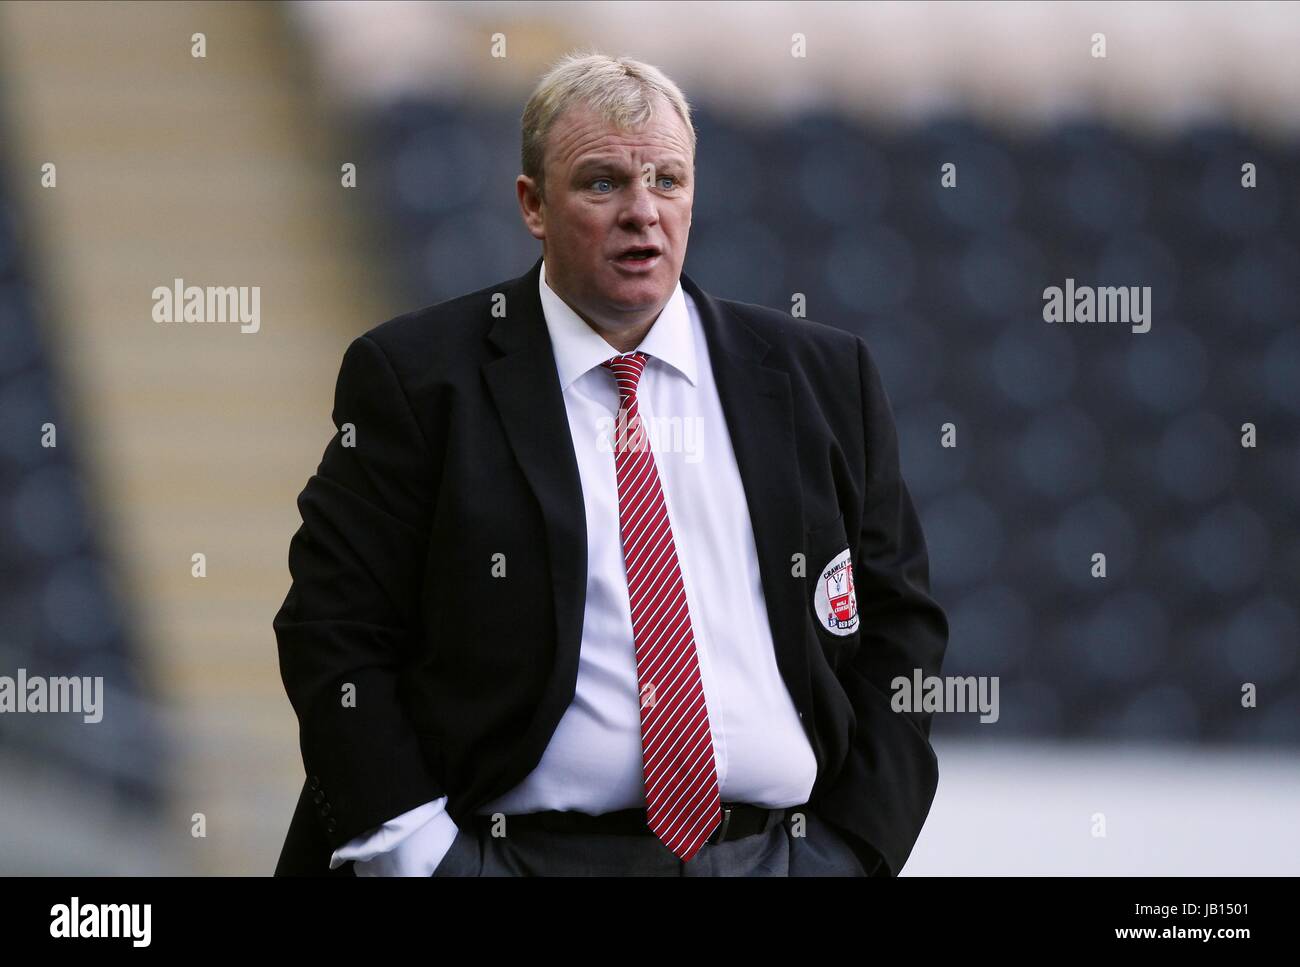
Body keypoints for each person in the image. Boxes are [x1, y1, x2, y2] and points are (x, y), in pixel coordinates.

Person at [273, 50, 948, 877]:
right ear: (532, 204)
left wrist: (855, 849)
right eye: (602, 183)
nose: (643, 212)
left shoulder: (822, 376)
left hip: (774, 854)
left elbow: (901, 627)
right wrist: (419, 856)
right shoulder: (418, 381)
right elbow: (333, 632)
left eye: (668, 181)